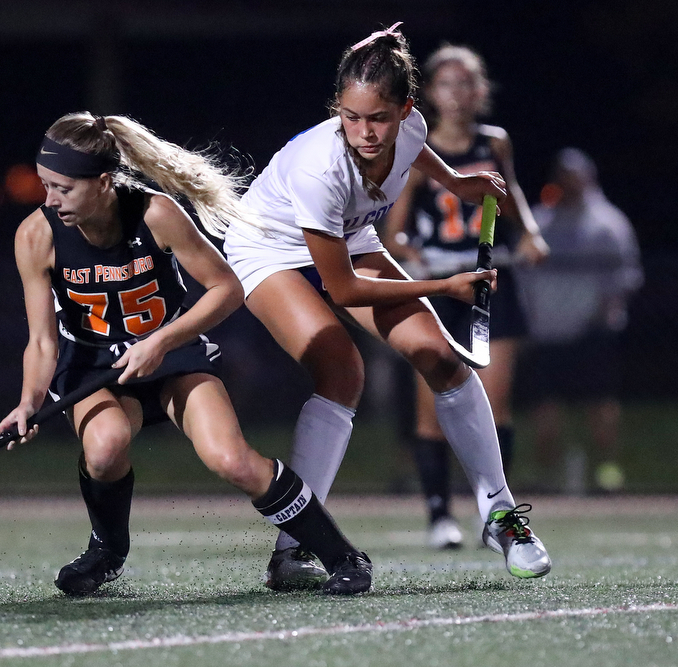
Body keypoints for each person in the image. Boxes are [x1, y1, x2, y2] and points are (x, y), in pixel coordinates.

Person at [0, 111, 372, 597]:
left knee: (230, 459)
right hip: (94, 369)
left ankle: (343, 558)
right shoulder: (36, 236)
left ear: (104, 181)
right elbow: (43, 341)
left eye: (63, 187)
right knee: (104, 447)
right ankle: (107, 550)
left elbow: (226, 289)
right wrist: (28, 402)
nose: (50, 199)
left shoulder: (155, 214)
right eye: (46, 185)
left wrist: (162, 342)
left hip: (172, 359)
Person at [222, 23, 551, 588]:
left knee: (442, 358)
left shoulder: (410, 128)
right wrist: (444, 287)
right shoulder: (319, 168)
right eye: (351, 117)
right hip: (270, 248)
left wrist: (457, 183)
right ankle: (293, 548)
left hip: (349, 237)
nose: (365, 132)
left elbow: (413, 151)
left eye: (378, 118)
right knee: (342, 372)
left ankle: (499, 516)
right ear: (338, 111)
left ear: (405, 110)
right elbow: (345, 290)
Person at [380, 44, 549, 549]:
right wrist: (408, 249)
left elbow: (510, 193)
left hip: (490, 283)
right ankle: (438, 515)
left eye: (467, 83)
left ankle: (496, 517)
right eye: (448, 84)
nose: (458, 94)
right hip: (439, 286)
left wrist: (530, 233)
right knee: (433, 403)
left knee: (495, 407)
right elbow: (396, 228)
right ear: (431, 92)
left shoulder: (494, 142)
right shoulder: (417, 144)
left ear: (480, 91)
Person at [518, 147, 643, 493]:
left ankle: (608, 472)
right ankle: (548, 477)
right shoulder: (539, 222)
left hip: (592, 332)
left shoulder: (608, 224)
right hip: (546, 333)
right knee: (544, 410)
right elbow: (522, 277)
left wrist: (603, 316)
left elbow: (626, 277)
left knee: (600, 405)